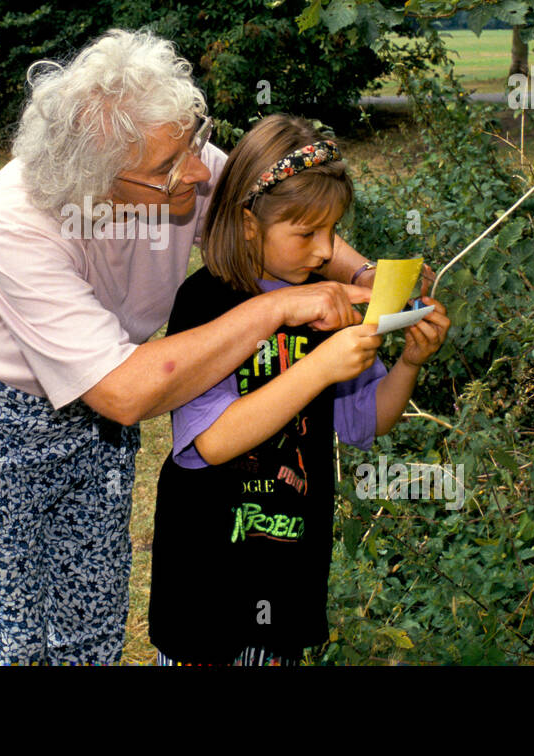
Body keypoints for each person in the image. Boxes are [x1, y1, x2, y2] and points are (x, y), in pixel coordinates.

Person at [0, 29, 398, 664]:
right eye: (170, 166)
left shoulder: (182, 168)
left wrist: (364, 278)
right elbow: (124, 392)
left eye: (195, 140)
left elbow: (270, 209)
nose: (200, 171)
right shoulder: (15, 221)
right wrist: (276, 306)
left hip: (95, 427)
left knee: (88, 627)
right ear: (97, 176)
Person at [147, 114, 450, 665]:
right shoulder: (206, 303)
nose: (324, 250)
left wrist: (409, 361)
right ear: (248, 223)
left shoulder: (327, 303)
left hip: (286, 573)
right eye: (306, 233)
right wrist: (319, 366)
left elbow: (366, 421)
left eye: (332, 231)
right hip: (206, 580)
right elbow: (210, 443)